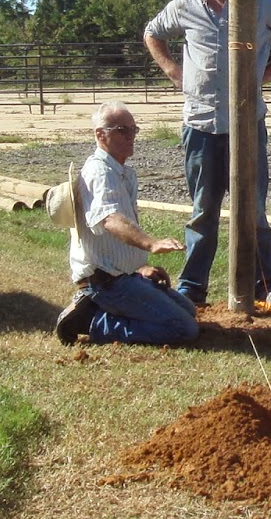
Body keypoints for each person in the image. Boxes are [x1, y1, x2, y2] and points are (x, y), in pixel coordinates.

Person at [143, 0, 271, 308]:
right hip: (200, 125)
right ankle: (192, 289)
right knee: (203, 210)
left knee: (254, 209)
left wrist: (270, 72)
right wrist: (171, 69)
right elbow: (152, 32)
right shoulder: (184, 6)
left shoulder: (260, 2)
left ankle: (267, 287)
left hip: (247, 125)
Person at [53, 101, 200, 345]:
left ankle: (101, 310)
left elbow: (114, 238)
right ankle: (91, 322)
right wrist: (151, 244)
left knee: (188, 310)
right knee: (184, 329)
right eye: (122, 130)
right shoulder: (100, 173)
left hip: (121, 277)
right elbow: (110, 219)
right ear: (100, 135)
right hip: (106, 283)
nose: (131, 136)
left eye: (133, 129)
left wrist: (140, 268)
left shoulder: (120, 171)